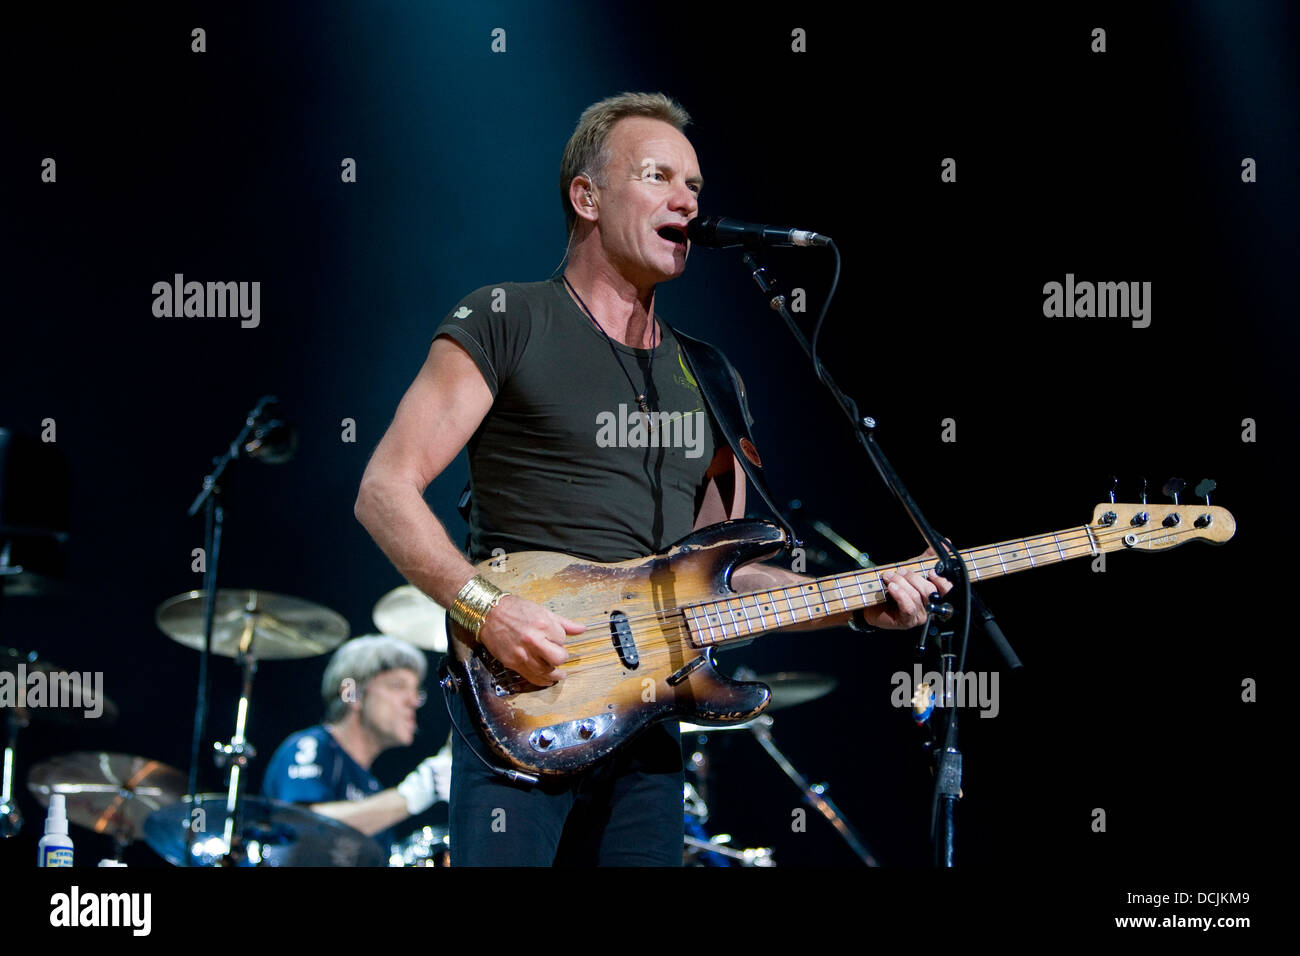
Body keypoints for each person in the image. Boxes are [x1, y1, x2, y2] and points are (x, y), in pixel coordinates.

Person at [353, 91, 951, 866]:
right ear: (587, 197)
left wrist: (862, 603)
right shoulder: (506, 319)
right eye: (658, 176)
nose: (687, 200)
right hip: (523, 707)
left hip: (650, 732)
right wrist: (485, 608)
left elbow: (721, 579)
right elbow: (385, 490)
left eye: (694, 185)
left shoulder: (712, 376)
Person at [262, 634, 451, 852]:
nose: (414, 701)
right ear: (351, 693)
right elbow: (303, 828)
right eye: (398, 686)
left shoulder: (372, 788)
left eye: (416, 690)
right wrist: (419, 789)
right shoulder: (310, 747)